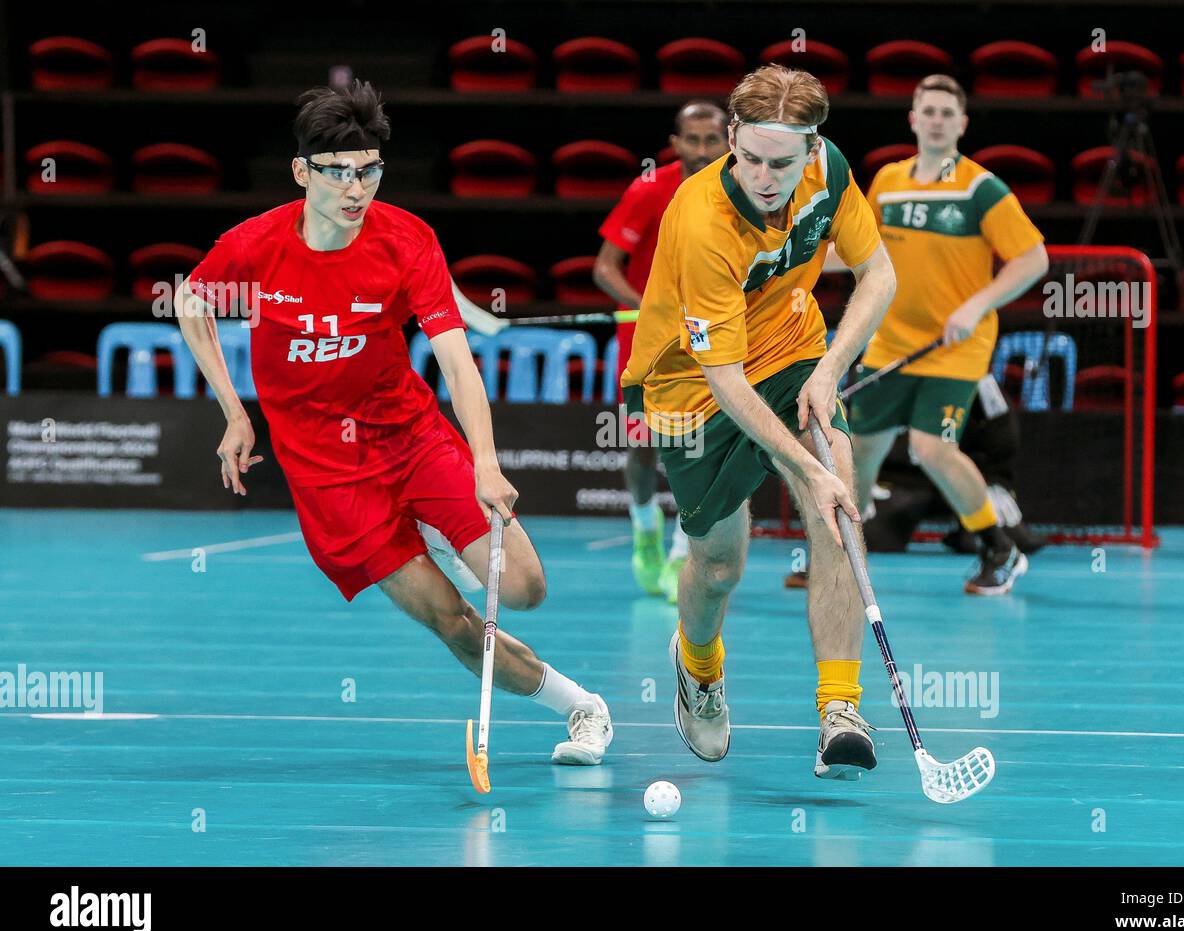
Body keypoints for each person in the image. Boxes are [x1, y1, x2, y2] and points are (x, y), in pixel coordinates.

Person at [174, 81, 613, 765]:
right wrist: (234, 413)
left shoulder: (407, 241)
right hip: (329, 477)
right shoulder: (254, 247)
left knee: (525, 589)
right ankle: (583, 707)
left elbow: (459, 364)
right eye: (339, 172)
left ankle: (437, 531)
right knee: (453, 622)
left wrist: (487, 463)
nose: (356, 189)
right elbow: (191, 301)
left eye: (370, 170)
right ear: (302, 173)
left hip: (410, 438)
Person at [621, 65, 897, 779]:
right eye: (750, 159)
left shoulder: (828, 170)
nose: (766, 177)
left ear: (812, 149)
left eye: (783, 163)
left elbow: (880, 275)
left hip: (794, 352)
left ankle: (841, 708)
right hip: (691, 390)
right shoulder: (700, 220)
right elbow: (726, 382)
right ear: (732, 139)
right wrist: (809, 467)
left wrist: (831, 368)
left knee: (835, 509)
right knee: (719, 564)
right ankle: (699, 665)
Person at [847, 74, 1049, 595]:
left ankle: (998, 548)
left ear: (961, 123)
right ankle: (844, 552)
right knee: (861, 445)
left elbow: (1033, 258)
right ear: (913, 120)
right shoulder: (888, 181)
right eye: (927, 111)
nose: (936, 120)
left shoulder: (981, 188)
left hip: (955, 346)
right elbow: (862, 252)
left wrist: (976, 304)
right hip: (891, 340)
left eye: (946, 112)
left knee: (931, 447)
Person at [593, 100, 728, 603]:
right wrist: (649, 306)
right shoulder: (649, 188)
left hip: (711, 343)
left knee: (698, 451)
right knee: (642, 448)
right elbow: (605, 267)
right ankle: (645, 528)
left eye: (710, 140)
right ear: (674, 144)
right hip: (647, 347)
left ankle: (679, 555)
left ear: (728, 141)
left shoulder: (742, 192)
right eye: (690, 140)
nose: (700, 150)